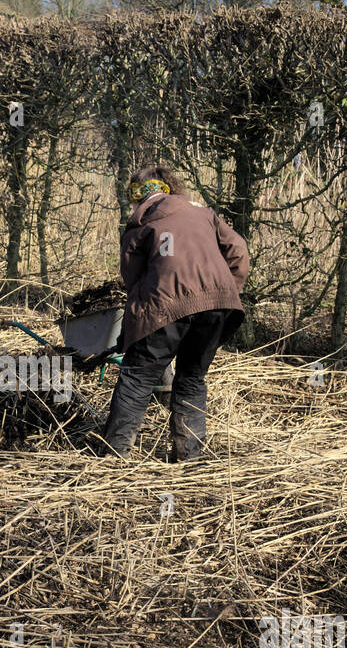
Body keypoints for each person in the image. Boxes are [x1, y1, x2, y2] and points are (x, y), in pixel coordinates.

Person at [98, 165, 250, 461]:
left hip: (164, 304)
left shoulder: (141, 222)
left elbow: (132, 276)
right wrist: (223, 291)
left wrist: (138, 316)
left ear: (139, 196)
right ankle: (188, 458)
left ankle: (113, 457)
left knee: (137, 378)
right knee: (192, 378)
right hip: (218, 306)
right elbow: (239, 252)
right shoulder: (205, 214)